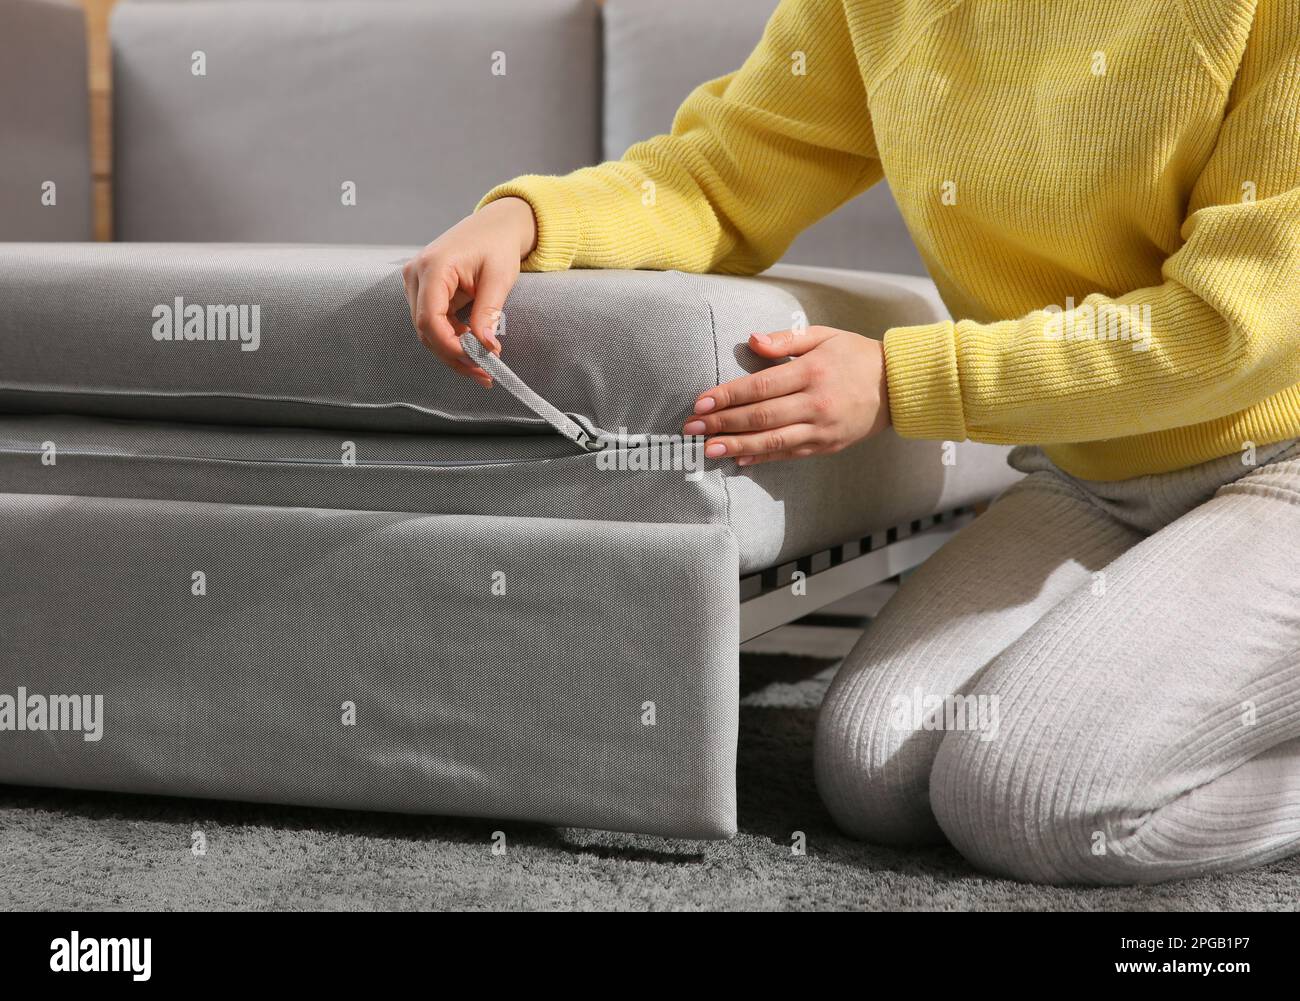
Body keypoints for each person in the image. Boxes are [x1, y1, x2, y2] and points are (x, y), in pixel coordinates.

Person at [403, 0, 1300, 885]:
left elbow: (1235, 326)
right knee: (876, 771)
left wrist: (902, 382)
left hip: (1283, 467)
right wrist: (526, 219)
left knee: (1028, 801)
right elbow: (720, 176)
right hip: (1095, 471)